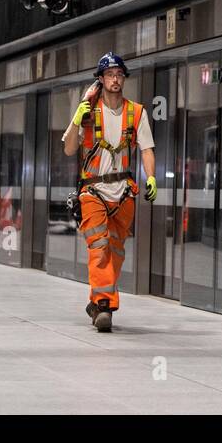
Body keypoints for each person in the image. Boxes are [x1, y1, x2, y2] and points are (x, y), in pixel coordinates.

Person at [62, 52, 156, 332]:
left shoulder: (136, 112)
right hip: (93, 191)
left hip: (124, 192)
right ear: (100, 80)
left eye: (119, 75)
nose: (115, 80)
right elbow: (68, 149)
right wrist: (77, 120)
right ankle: (105, 306)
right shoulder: (88, 112)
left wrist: (151, 178)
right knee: (99, 247)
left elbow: (146, 148)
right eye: (110, 75)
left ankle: (96, 300)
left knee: (115, 251)